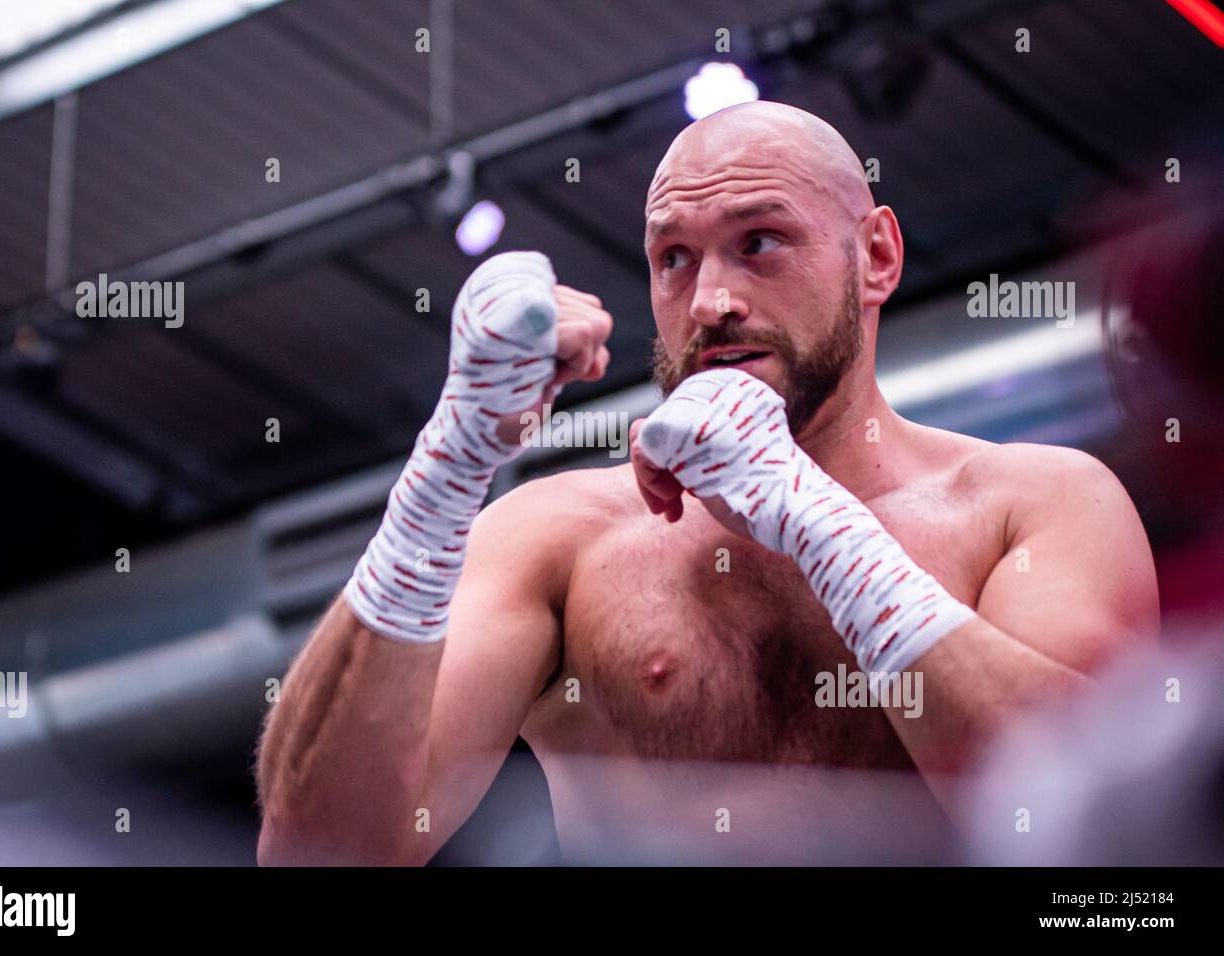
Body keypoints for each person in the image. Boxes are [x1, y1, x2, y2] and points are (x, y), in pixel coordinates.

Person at [254, 101, 1159, 865]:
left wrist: (816, 523)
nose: (710, 301)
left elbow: (1118, 851)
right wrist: (447, 465)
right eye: (674, 258)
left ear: (876, 257)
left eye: (759, 241)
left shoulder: (1032, 501)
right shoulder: (562, 538)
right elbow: (318, 850)